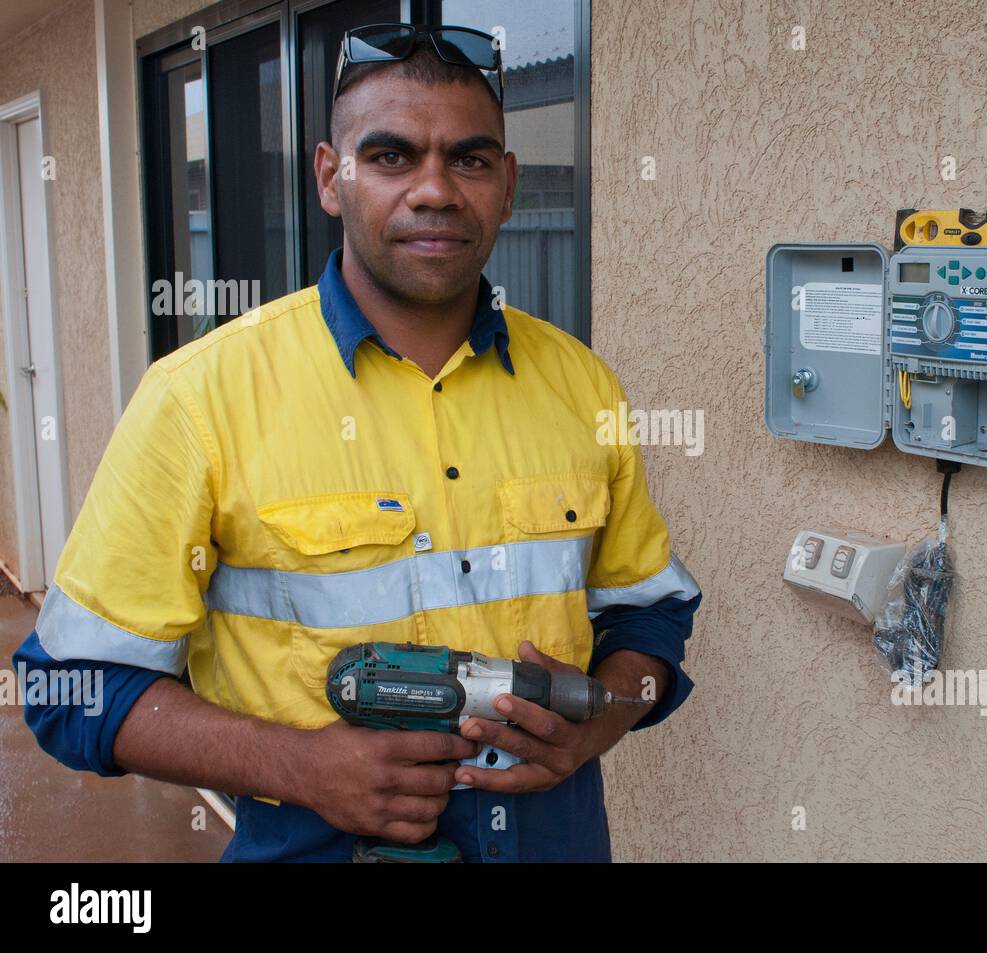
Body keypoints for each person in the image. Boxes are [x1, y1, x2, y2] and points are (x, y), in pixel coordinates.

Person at [14, 24, 701, 862]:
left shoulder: (582, 386)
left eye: (471, 160)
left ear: (509, 185)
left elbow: (649, 612)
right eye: (391, 157)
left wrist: (604, 723)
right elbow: (67, 685)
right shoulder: (200, 399)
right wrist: (300, 765)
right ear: (330, 178)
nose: (435, 190)